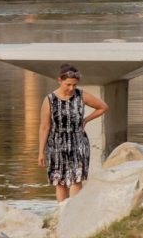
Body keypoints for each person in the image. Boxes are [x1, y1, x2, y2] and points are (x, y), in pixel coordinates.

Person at [37, 64, 107, 201]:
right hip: (56, 144)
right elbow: (45, 127)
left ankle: (74, 212)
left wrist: (86, 120)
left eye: (74, 85)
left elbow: (103, 107)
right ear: (59, 80)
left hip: (78, 142)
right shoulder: (49, 100)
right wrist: (41, 152)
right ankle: (62, 213)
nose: (71, 88)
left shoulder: (81, 95)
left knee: (76, 179)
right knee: (60, 181)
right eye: (68, 84)